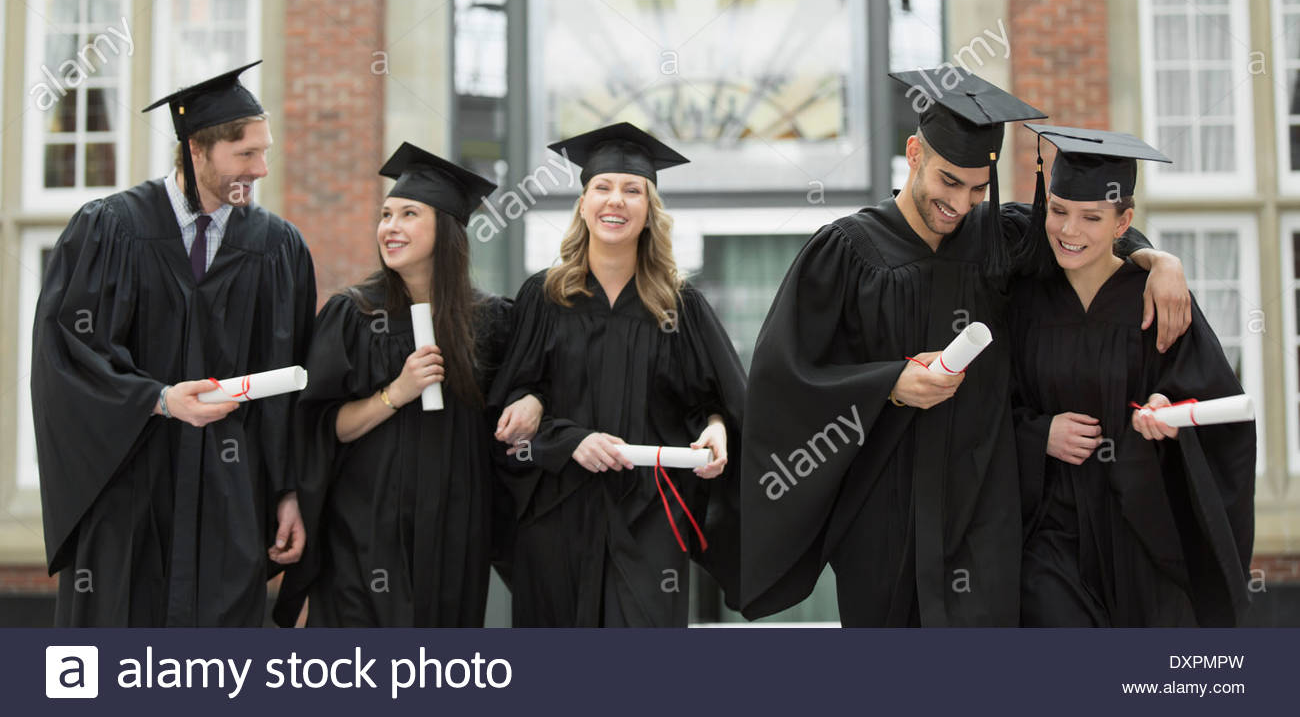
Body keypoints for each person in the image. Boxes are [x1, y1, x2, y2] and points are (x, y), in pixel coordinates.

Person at [741, 68, 1193, 626]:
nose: (961, 203)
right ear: (913, 153)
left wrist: (1157, 261)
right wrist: (891, 384)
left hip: (984, 509)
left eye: (979, 188)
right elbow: (784, 377)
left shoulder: (997, 239)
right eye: (949, 181)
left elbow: (1085, 236)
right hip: (886, 514)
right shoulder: (848, 253)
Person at [31, 61, 317, 626]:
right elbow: (67, 356)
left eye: (265, 152)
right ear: (196, 150)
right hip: (129, 487)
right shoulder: (109, 230)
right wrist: (159, 400)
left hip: (229, 495)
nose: (261, 169)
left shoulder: (276, 248)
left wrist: (288, 492)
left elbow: (293, 379)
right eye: (245, 155)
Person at [489, 122, 746, 626]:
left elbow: (715, 401)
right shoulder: (544, 298)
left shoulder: (679, 305)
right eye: (602, 187)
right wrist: (563, 435)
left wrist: (716, 431)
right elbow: (507, 409)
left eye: (633, 190)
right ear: (583, 204)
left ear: (650, 211)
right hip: (557, 515)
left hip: (650, 517)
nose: (616, 201)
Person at [1010, 125, 1255, 626]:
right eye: (1057, 211)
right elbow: (985, 404)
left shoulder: (1157, 298)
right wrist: (1038, 435)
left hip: (1141, 525)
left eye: (1091, 217)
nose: (1069, 230)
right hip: (1049, 532)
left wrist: (1171, 410)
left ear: (1124, 221)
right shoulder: (1021, 299)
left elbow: (1209, 397)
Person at [273, 144, 515, 627]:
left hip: (453, 529)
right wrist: (396, 393)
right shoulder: (354, 314)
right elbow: (325, 426)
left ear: (445, 228)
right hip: (365, 528)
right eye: (386, 215)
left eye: (408, 214)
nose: (391, 227)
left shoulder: (491, 321)